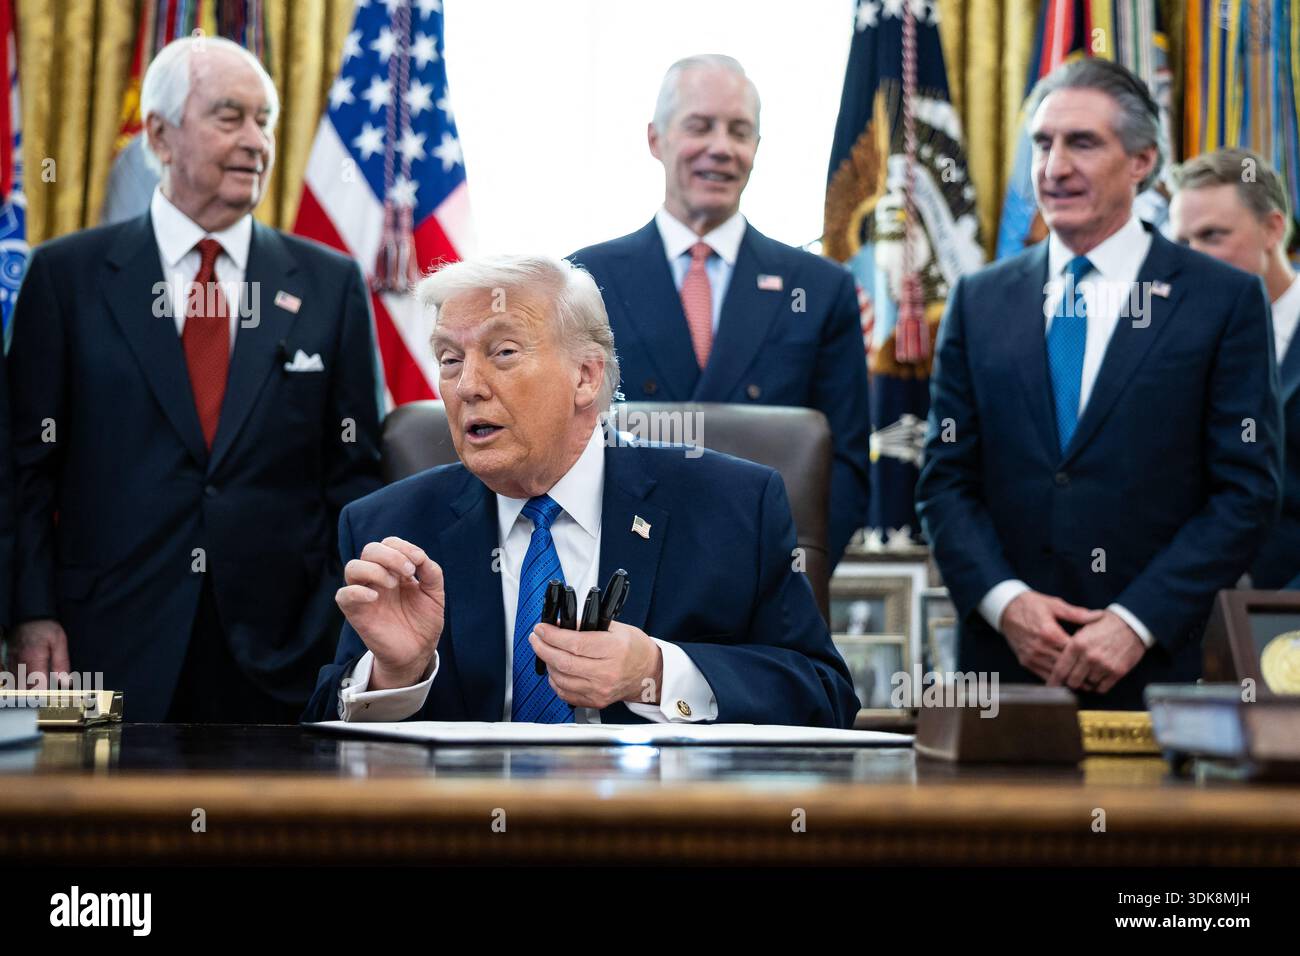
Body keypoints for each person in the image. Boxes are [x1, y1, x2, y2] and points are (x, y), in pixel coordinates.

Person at [302, 254, 859, 728]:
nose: (468, 385)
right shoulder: (390, 527)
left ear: (587, 377)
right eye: (449, 360)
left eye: (503, 353)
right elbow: (318, 732)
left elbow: (825, 696)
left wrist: (658, 673)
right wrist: (396, 675)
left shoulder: (733, 506)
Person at [5, 36, 383, 721]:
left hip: (286, 657)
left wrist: (335, 628)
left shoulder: (330, 284)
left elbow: (355, 474)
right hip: (104, 644)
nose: (255, 141)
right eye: (229, 116)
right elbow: (26, 470)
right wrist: (31, 614)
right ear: (160, 134)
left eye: (264, 120)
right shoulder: (66, 278)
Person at [915, 59, 1282, 710]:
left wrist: (1135, 621)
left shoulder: (1221, 301)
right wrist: (1009, 605)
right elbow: (946, 481)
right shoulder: (980, 301)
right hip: (1006, 678)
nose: (1055, 168)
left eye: (1082, 143)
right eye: (1043, 143)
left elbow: (1246, 493)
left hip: (1161, 677)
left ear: (1142, 161)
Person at [569, 55, 871, 567]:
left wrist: (780, 576)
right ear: (655, 139)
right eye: (699, 126)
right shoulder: (584, 280)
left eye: (740, 131)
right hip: (617, 576)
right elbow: (567, 441)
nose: (721, 148)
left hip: (765, 582)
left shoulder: (821, 287)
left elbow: (845, 469)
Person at [1169, 148, 1300, 590]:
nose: (1194, 257)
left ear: (1273, 229)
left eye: (1213, 236)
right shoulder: (1172, 341)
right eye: (1182, 243)